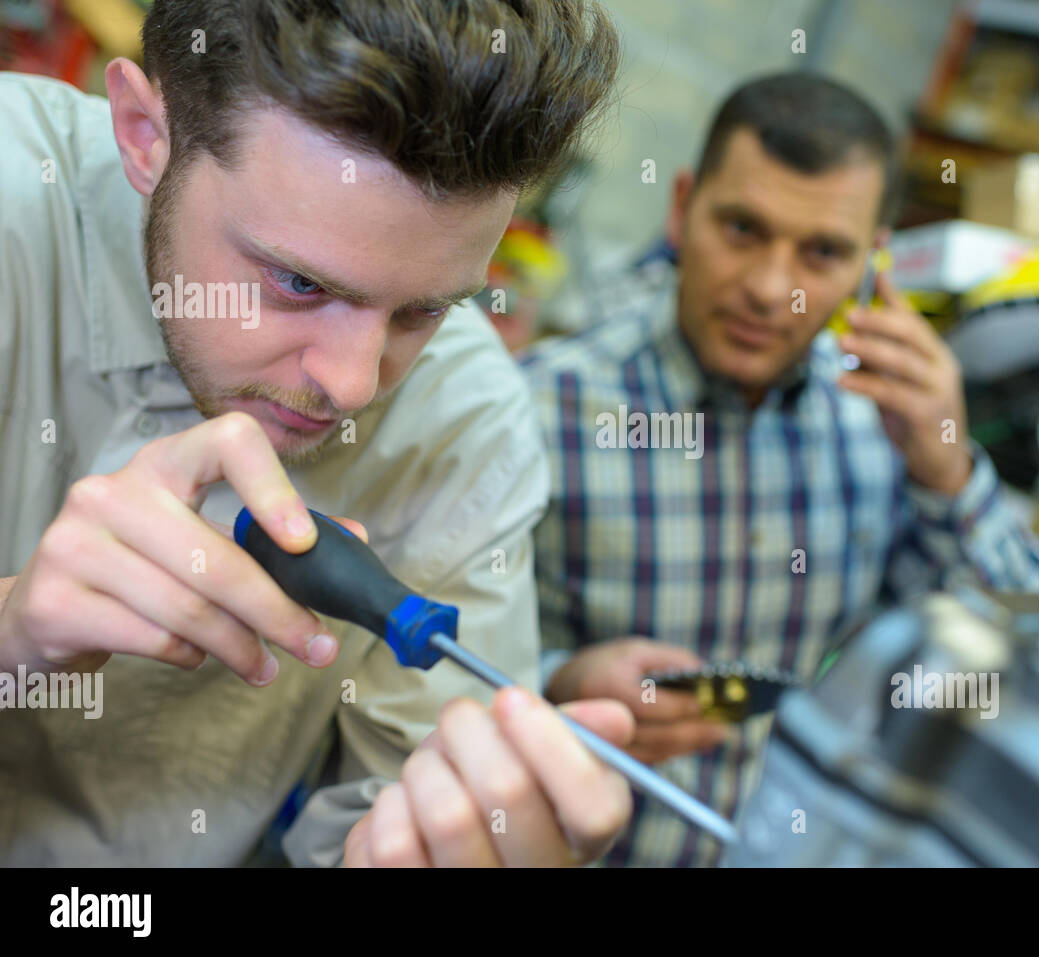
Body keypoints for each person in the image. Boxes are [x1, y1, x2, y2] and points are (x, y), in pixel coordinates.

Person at [0, 0, 631, 867]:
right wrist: (11, 636)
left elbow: (386, 813)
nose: (351, 383)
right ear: (147, 134)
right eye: (299, 281)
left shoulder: (464, 426)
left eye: (424, 310)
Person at [523, 72, 1039, 867]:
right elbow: (405, 680)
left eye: (822, 252)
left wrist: (948, 472)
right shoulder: (541, 407)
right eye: (742, 228)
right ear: (681, 208)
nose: (772, 290)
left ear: (874, 264)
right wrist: (556, 682)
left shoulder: (888, 422)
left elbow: (1012, 676)